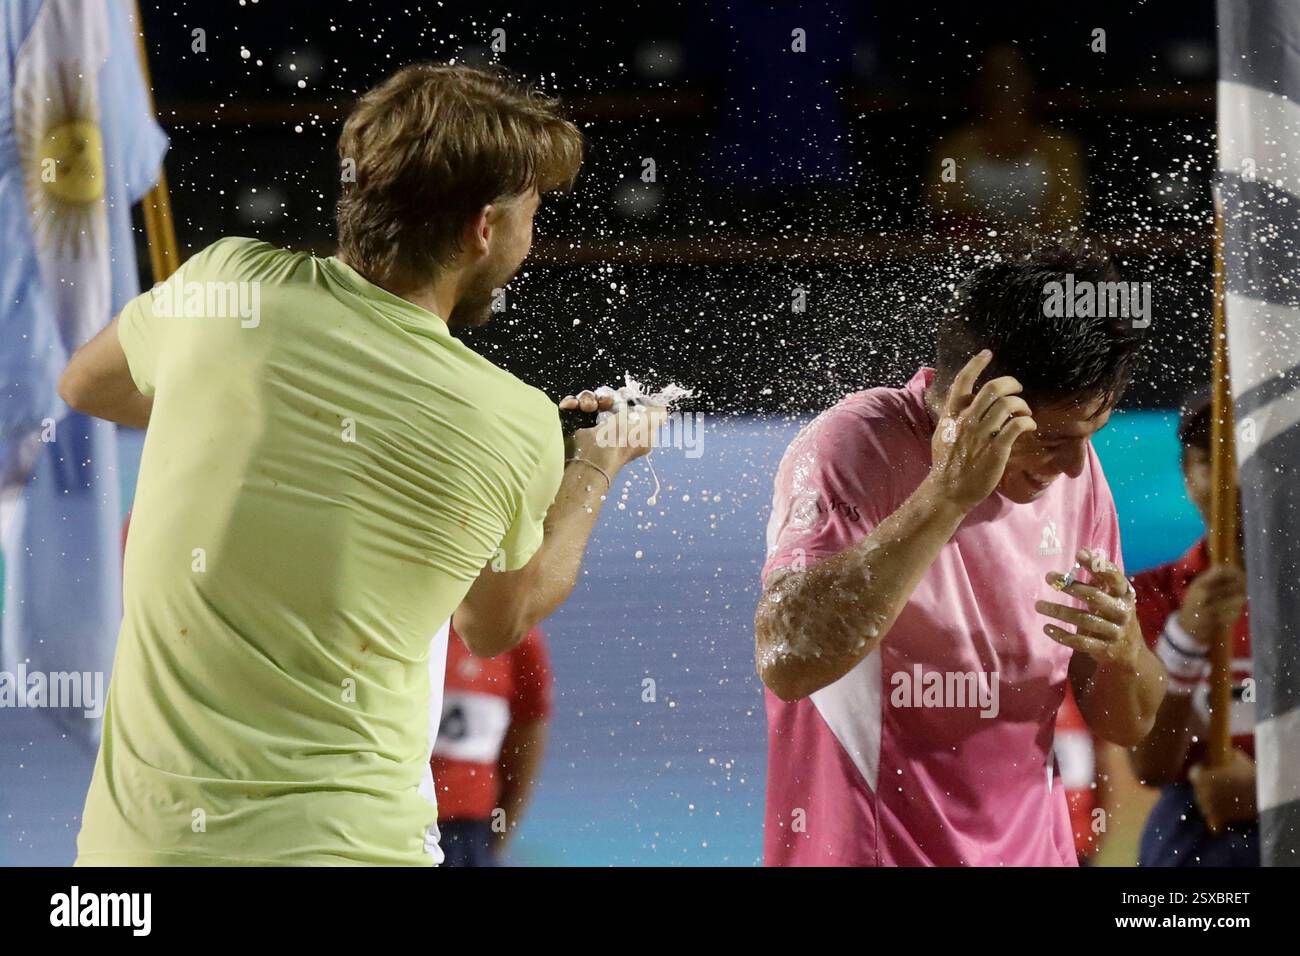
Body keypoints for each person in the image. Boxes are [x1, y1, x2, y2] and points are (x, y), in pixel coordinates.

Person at [59, 63, 650, 866]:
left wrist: (246, 414)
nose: (530, 239)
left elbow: (86, 381)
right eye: (531, 214)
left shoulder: (227, 284)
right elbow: (496, 620)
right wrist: (594, 469)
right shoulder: (508, 419)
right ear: (483, 228)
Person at [754, 238, 1164, 866]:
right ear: (975, 400)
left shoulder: (1079, 476)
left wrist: (1127, 650)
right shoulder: (856, 445)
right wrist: (946, 496)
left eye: (1091, 436)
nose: (1076, 463)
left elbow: (1125, 724)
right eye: (1053, 438)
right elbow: (788, 658)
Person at [1130, 393, 1256, 866]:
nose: (1234, 479)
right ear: (1187, 477)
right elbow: (1150, 764)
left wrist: (1272, 790)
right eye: (1212, 460)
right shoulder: (1152, 595)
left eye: (1249, 454)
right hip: (1199, 828)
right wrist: (1185, 639)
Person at [927, 45, 1085, 234]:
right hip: (975, 253)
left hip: (1042, 255)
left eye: (1013, 74)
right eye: (994, 75)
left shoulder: (1059, 147)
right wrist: (991, 232)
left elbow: (1068, 211)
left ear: (1029, 81)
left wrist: (1027, 239)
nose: (1003, 84)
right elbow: (942, 202)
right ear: (980, 83)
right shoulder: (953, 149)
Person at [432, 622, 553, 866]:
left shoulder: (515, 632)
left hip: (464, 835)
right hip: (383, 822)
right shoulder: (388, 620)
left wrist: (491, 844)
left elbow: (527, 734)